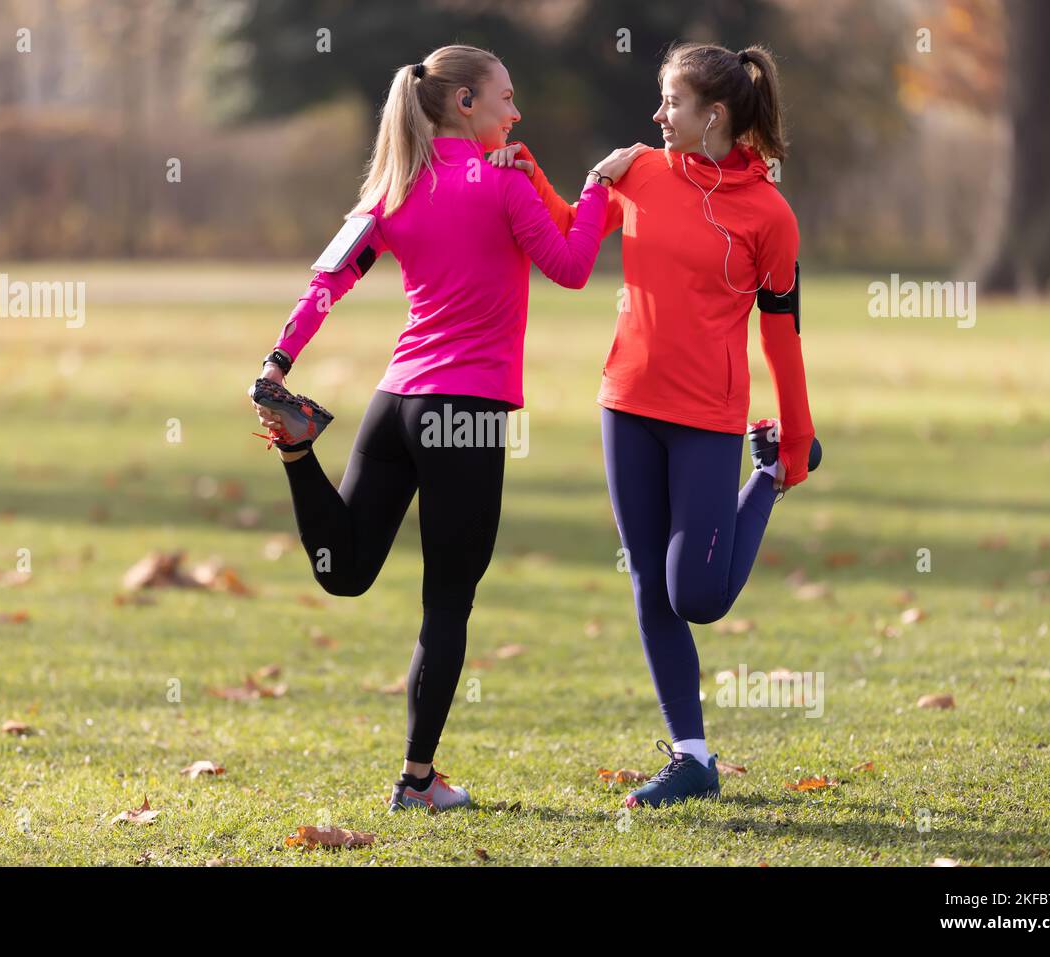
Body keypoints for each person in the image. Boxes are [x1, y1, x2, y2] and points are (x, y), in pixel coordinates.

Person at [249, 44, 647, 812]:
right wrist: (601, 186)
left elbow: (327, 280)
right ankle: (416, 780)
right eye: (505, 97)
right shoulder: (502, 181)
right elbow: (568, 264)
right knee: (447, 602)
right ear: (465, 102)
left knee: (345, 568)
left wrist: (278, 362)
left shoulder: (394, 186)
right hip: (467, 413)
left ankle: (299, 453)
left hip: (394, 403)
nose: (516, 112)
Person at [488, 42, 820, 807]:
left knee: (696, 595)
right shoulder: (639, 170)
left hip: (707, 418)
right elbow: (571, 237)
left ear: (716, 115)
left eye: (670, 102)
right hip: (626, 403)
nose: (656, 114)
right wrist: (530, 169)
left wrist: (795, 438)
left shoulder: (771, 216)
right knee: (647, 580)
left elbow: (782, 335)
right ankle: (692, 755)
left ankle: (764, 473)